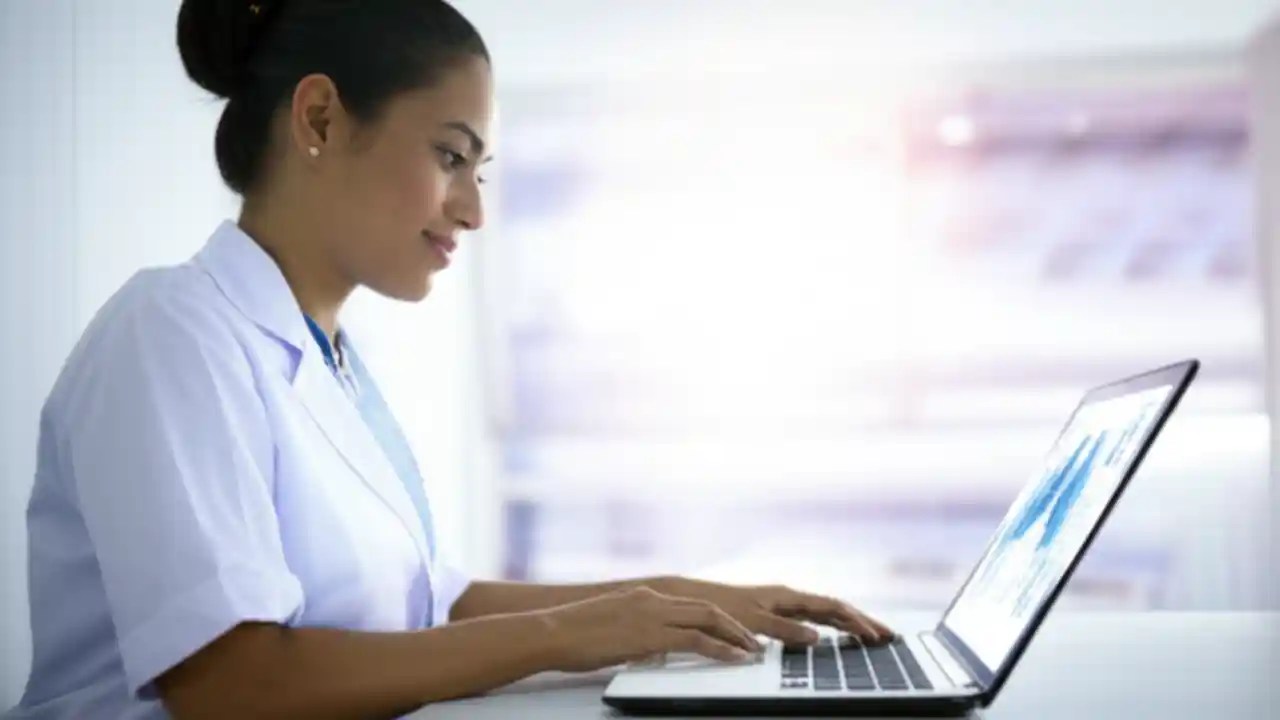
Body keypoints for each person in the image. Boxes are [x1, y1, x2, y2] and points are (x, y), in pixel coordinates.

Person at [5, 1, 893, 718]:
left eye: (481, 169)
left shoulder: (325, 358)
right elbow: (236, 686)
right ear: (318, 118)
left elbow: (427, 603)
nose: (472, 209)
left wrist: (674, 601)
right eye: (450, 156)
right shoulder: (169, 333)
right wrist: (565, 632)